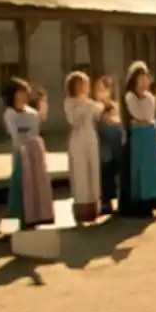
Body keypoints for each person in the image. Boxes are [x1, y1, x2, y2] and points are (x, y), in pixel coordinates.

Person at [118, 61, 156, 218]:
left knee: (152, 168)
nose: (144, 82)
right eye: (140, 79)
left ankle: (153, 200)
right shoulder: (130, 97)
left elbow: (149, 114)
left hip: (149, 134)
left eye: (145, 78)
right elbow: (141, 115)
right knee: (140, 170)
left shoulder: (148, 97)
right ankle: (139, 204)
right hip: (138, 135)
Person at [2, 77, 55, 229]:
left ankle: (38, 215)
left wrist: (43, 103)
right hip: (22, 150)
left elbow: (39, 120)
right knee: (23, 182)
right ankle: (22, 217)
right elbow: (14, 132)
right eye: (21, 92)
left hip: (35, 150)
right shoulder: (10, 113)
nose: (24, 96)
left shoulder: (30, 111)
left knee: (37, 182)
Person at [63, 71, 105, 223]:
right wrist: (86, 105)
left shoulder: (88, 102)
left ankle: (94, 208)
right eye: (83, 84)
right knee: (81, 173)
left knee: (92, 170)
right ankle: (81, 208)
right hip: (78, 139)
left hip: (90, 137)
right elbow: (74, 119)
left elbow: (99, 111)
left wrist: (100, 99)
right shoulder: (70, 102)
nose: (86, 88)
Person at [94, 75, 123, 214]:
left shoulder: (115, 105)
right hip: (103, 142)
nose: (102, 92)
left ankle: (118, 199)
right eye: (99, 89)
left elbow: (118, 121)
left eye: (105, 89)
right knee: (105, 171)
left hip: (115, 141)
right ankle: (105, 202)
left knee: (117, 170)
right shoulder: (95, 107)